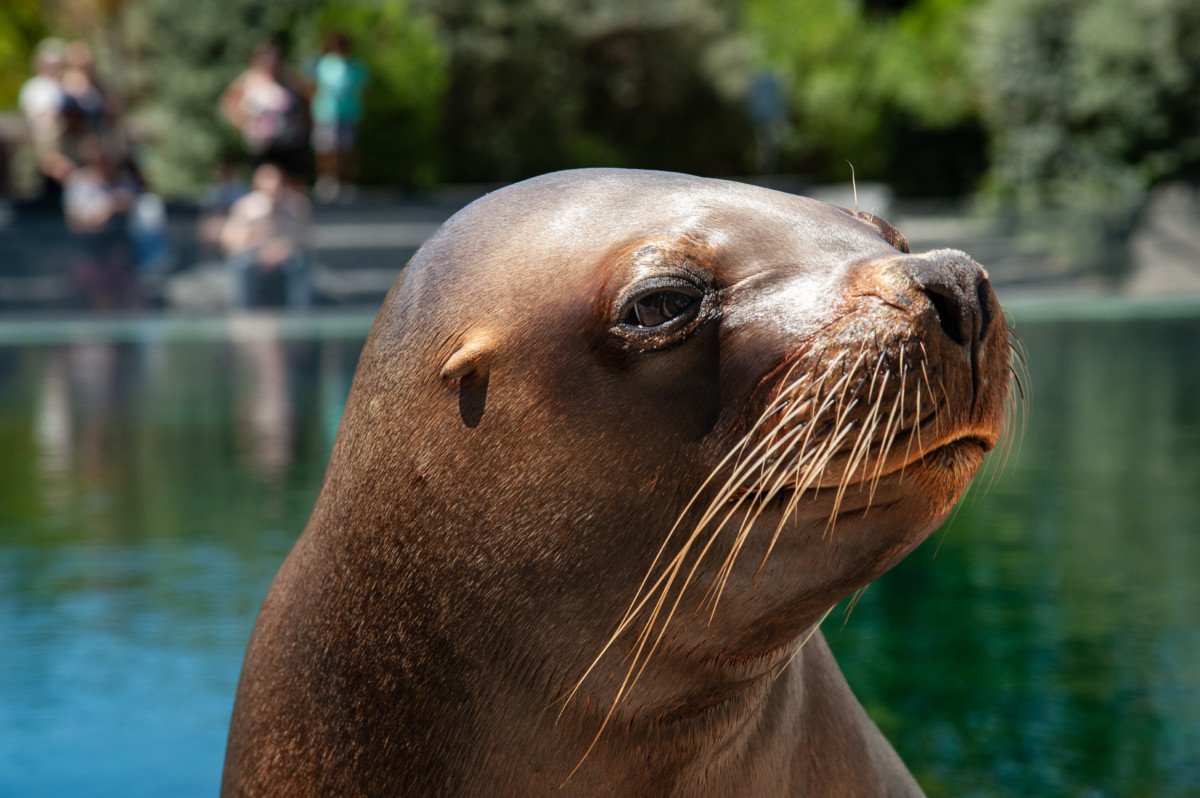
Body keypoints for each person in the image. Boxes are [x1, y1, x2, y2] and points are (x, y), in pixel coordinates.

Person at [220, 162, 312, 309]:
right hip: (254, 254)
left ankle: (300, 319)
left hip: (285, 254)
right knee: (241, 264)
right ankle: (244, 316)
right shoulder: (245, 205)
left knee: (299, 264)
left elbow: (304, 237)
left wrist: (283, 249)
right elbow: (228, 237)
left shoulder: (297, 204)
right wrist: (251, 239)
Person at [63, 136, 139, 309]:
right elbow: (74, 221)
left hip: (121, 252)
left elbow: (130, 204)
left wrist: (113, 207)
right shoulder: (78, 182)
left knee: (132, 302)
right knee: (100, 303)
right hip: (92, 254)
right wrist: (100, 216)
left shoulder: (122, 180)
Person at [220, 43, 310, 179]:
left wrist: (304, 123)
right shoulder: (249, 79)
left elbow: (308, 98)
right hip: (261, 143)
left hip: (289, 140)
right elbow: (227, 101)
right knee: (265, 179)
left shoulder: (289, 78)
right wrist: (242, 124)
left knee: (293, 180)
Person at [309, 31, 368, 202]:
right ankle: (327, 180)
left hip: (348, 113)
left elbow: (363, 89)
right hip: (325, 112)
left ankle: (347, 182)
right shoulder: (323, 64)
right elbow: (313, 86)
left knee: (346, 149)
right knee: (325, 148)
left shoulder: (356, 65)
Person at [18, 38, 72, 201]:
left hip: (68, 137)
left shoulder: (67, 84)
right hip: (43, 138)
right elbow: (35, 115)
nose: (53, 67)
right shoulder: (34, 86)